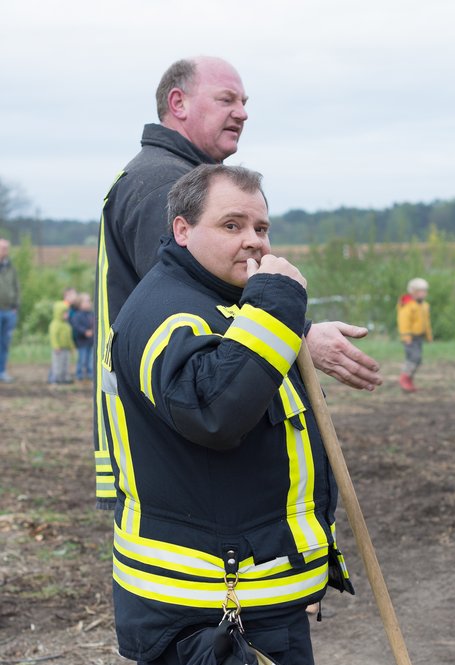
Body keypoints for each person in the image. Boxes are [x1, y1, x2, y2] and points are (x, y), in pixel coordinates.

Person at [101, 163, 353, 665]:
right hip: (221, 605)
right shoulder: (169, 315)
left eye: (263, 227)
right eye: (233, 225)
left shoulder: (219, 309)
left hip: (204, 594)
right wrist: (281, 302)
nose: (255, 243)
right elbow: (216, 410)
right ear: (181, 230)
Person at [94, 54, 381, 509]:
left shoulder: (169, 176)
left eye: (244, 102)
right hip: (171, 445)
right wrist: (300, 334)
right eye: (226, 99)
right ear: (178, 103)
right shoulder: (163, 184)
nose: (243, 112)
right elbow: (193, 304)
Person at [397, 276, 433, 392]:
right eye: (421, 291)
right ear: (413, 292)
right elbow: (403, 321)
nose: (424, 294)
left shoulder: (424, 306)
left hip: (419, 337)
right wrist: (406, 336)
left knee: (417, 360)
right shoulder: (408, 305)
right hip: (410, 337)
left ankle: (409, 380)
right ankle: (404, 378)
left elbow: (426, 322)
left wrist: (428, 335)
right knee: (413, 358)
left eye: (425, 291)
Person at [0, 238, 20, 383]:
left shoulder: (11, 267)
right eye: (3, 248)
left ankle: (2, 371)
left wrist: (15, 307)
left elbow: (16, 287)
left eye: (7, 248)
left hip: (9, 311)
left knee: (4, 343)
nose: (5, 251)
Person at [48, 290, 75, 384]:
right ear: (59, 313)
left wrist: (72, 347)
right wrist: (56, 346)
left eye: (67, 313)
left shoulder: (67, 325)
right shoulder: (55, 324)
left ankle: (64, 378)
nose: (67, 315)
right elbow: (53, 336)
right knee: (57, 364)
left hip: (66, 348)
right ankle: (55, 378)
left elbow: (69, 338)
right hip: (58, 349)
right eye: (64, 313)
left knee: (65, 364)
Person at [71, 291, 94, 380]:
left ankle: (90, 374)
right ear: (80, 304)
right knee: (82, 359)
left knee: (91, 360)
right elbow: (76, 326)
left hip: (91, 342)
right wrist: (85, 331)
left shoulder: (91, 314)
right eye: (87, 301)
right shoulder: (77, 315)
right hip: (82, 342)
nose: (90, 303)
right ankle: (79, 375)